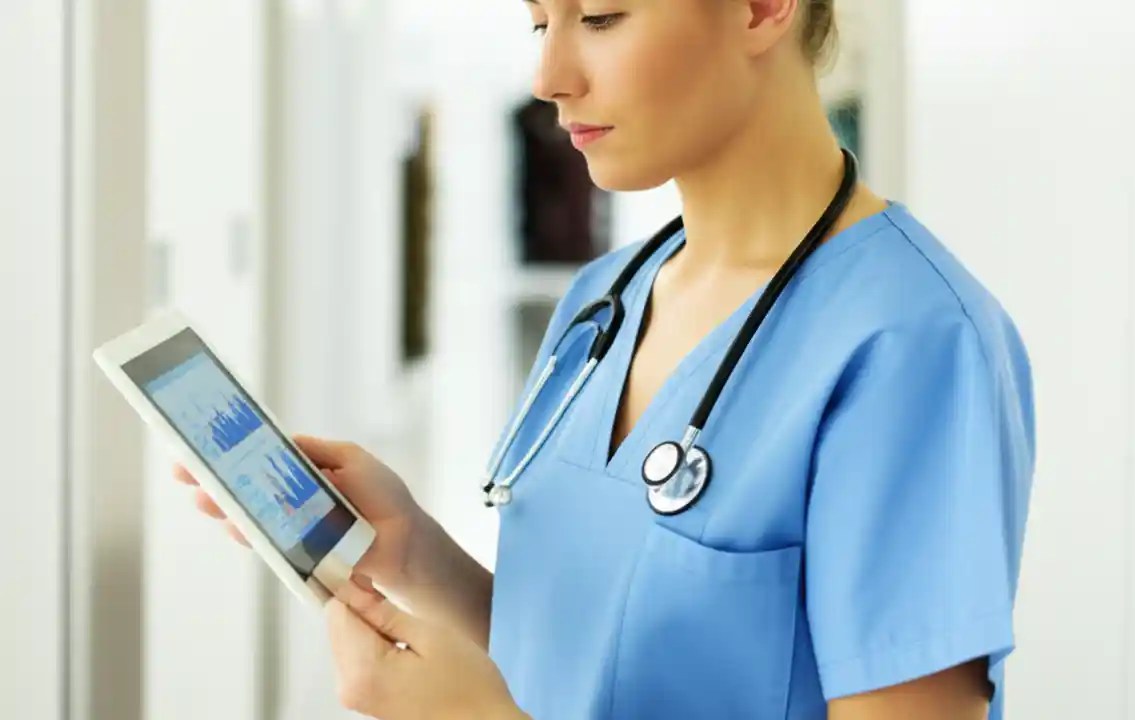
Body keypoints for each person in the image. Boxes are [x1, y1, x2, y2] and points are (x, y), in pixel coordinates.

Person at [178, 0, 1036, 717]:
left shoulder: (912, 342)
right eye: (539, 21)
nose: (550, 76)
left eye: (599, 16)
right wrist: (414, 556)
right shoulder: (604, 299)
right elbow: (607, 666)